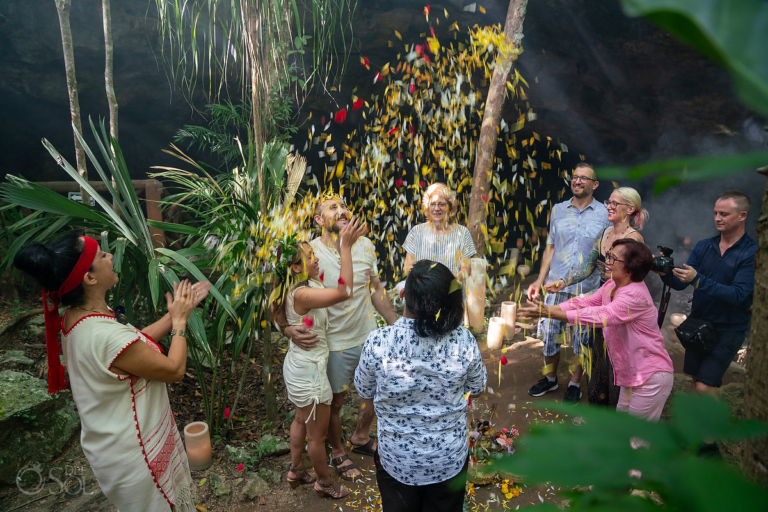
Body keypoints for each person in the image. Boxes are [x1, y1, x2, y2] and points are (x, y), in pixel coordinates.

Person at [13, 231, 211, 511]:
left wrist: (174, 313)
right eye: (101, 255)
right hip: (138, 456)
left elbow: (134, 346)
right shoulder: (103, 335)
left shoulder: (78, 317)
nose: (109, 256)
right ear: (90, 278)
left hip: (113, 449)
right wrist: (179, 321)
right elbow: (175, 369)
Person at [354, 260, 487, 511]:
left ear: (403, 293)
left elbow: (364, 390)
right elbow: (477, 389)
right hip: (447, 460)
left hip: (397, 461)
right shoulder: (463, 341)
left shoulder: (378, 342)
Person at [283, 195, 399, 480]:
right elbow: (282, 296)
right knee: (335, 403)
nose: (344, 210)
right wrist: (286, 327)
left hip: (368, 336)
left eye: (345, 206)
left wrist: (397, 325)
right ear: (319, 220)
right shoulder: (309, 254)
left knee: (372, 394)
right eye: (333, 208)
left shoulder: (366, 246)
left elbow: (375, 289)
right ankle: (337, 450)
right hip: (333, 344)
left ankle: (360, 437)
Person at [520, 239, 674, 421]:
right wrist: (547, 310)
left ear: (630, 268)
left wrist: (550, 314)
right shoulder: (611, 285)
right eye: (608, 255)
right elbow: (583, 302)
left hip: (650, 377)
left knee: (638, 443)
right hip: (632, 376)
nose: (605, 261)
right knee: (624, 435)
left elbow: (600, 315)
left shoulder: (634, 294)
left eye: (613, 258)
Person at [270, 217, 367, 499]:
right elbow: (344, 292)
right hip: (311, 374)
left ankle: (297, 469)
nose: (315, 258)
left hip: (299, 365)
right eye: (310, 256)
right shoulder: (303, 293)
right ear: (296, 267)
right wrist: (345, 248)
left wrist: (287, 328)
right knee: (317, 436)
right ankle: (324, 481)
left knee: (301, 420)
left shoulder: (298, 287)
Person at [542, 187, 648, 406]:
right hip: (602, 296)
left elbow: (636, 279)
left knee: (616, 359)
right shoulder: (604, 234)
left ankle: (618, 412)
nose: (608, 206)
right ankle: (598, 407)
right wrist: (563, 282)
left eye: (614, 203)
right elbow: (588, 267)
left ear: (629, 209)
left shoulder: (634, 239)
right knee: (597, 354)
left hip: (618, 304)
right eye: (608, 202)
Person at [526, 162, 610, 403]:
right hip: (555, 287)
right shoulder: (559, 209)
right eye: (574, 177)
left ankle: (574, 383)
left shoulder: (604, 214)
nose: (577, 181)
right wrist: (539, 280)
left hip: (588, 291)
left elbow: (609, 249)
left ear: (594, 185)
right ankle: (550, 379)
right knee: (550, 338)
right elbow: (550, 247)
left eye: (584, 178)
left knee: (581, 342)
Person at [659, 190, 757, 394]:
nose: (717, 218)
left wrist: (697, 279)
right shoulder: (704, 246)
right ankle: (699, 426)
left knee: (704, 385)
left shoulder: (750, 253)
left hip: (729, 329)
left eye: (724, 214)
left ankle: (716, 426)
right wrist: (663, 271)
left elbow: (737, 295)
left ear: (742, 216)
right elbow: (680, 283)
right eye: (715, 213)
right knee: (695, 381)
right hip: (699, 325)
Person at [403, 182, 476, 277]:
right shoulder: (416, 232)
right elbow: (407, 267)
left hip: (451, 288)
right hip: (422, 290)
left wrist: (447, 280)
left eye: (441, 204)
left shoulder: (463, 233)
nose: (436, 208)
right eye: (432, 204)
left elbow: (466, 270)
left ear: (450, 207)